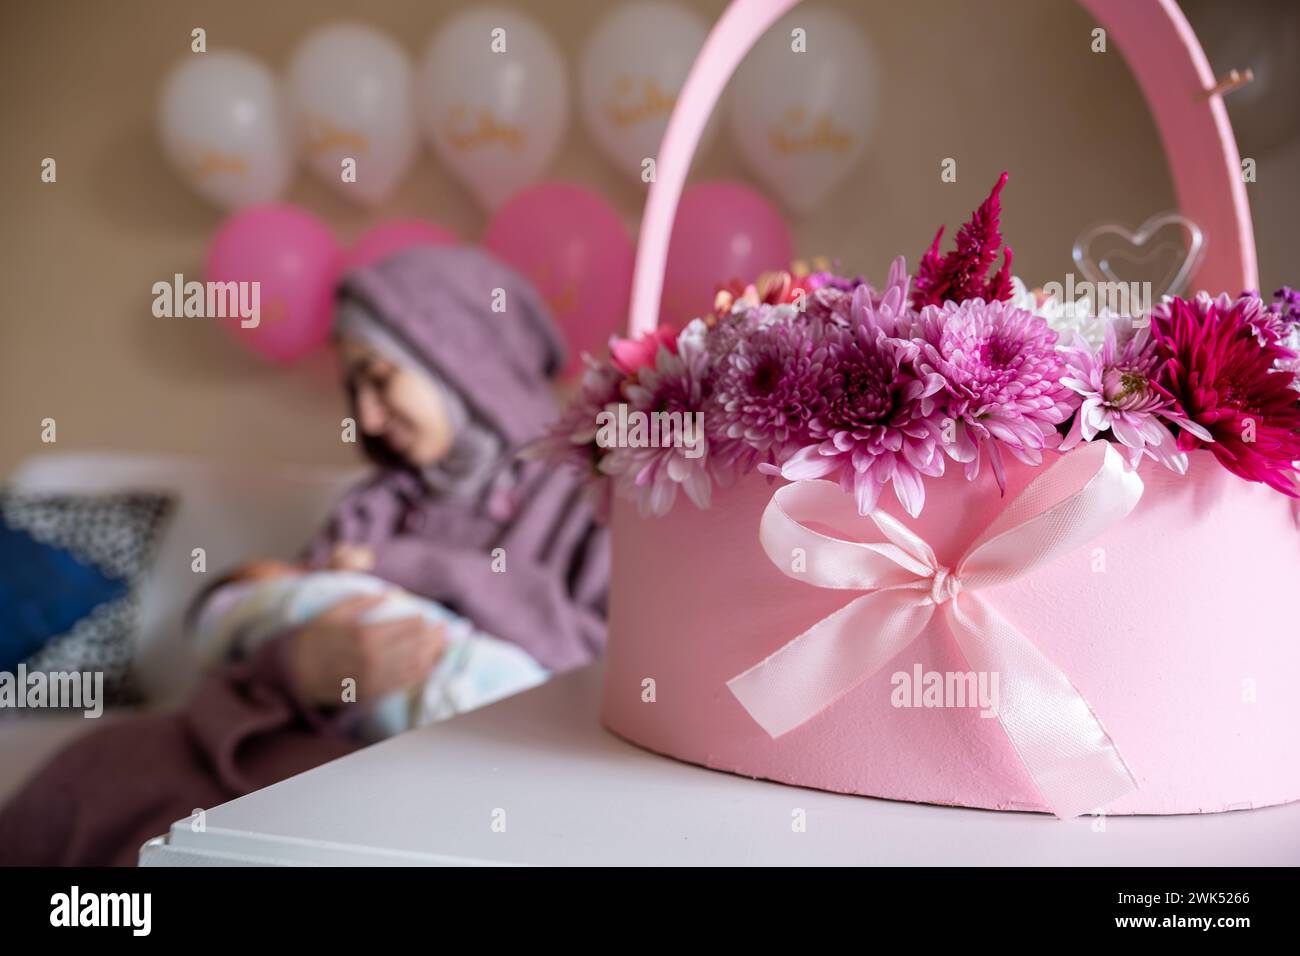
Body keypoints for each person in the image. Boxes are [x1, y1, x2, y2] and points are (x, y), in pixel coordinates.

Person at [0, 246, 609, 866]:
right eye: (354, 385)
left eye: (379, 376)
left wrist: (415, 568)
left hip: (440, 766)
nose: (366, 413)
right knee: (107, 767)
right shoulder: (371, 506)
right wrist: (307, 663)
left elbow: (598, 672)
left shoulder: (591, 498)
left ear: (462, 361)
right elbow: (280, 609)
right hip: (292, 728)